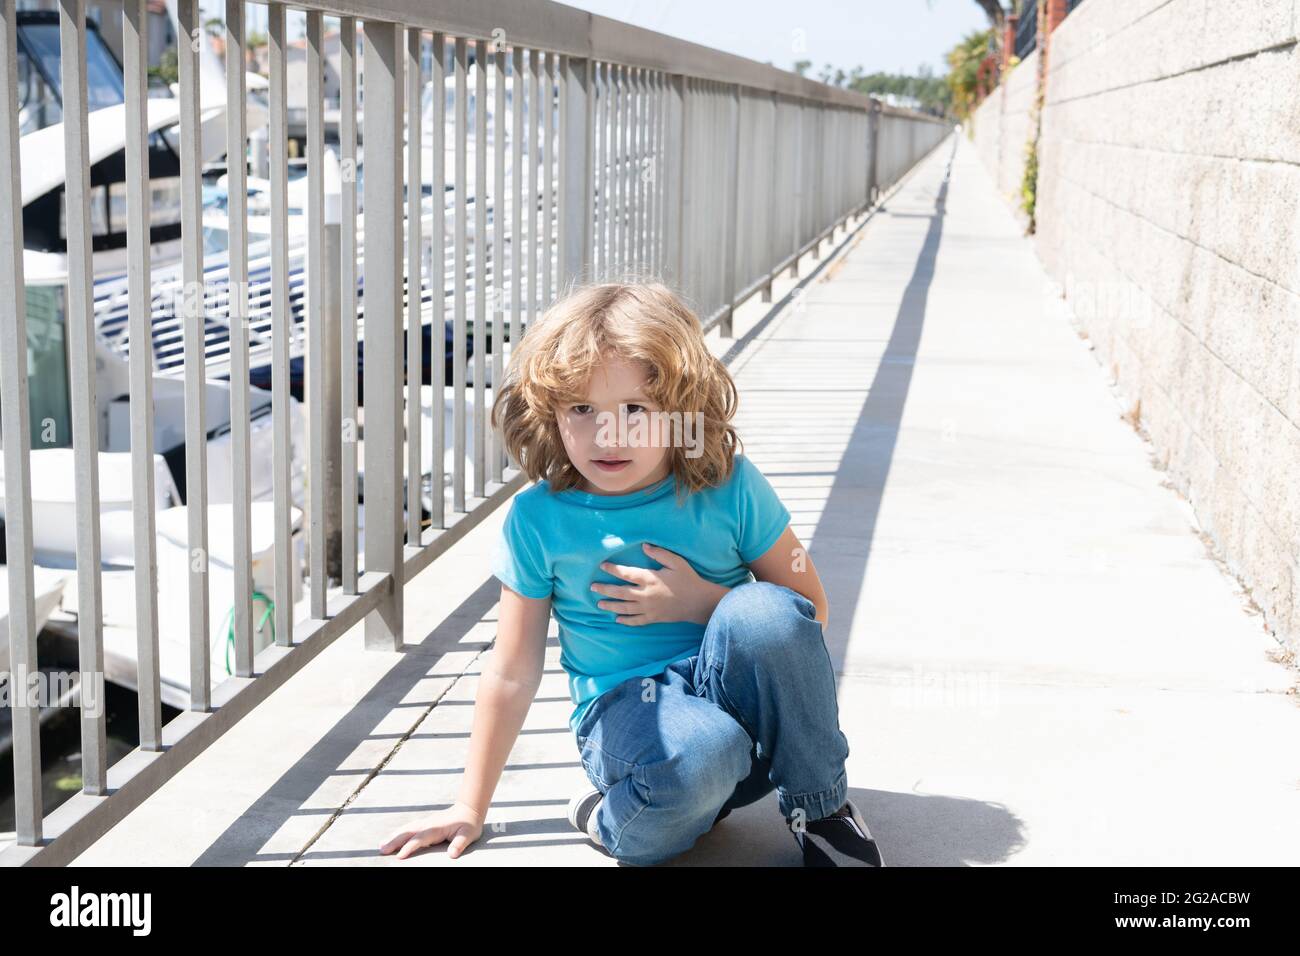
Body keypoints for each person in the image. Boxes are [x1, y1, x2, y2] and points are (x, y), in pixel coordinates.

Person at [379, 279, 882, 866]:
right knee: (701, 749)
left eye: (635, 409)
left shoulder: (730, 488)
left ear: (680, 410)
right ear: (551, 413)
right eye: (583, 409)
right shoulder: (539, 520)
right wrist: (469, 805)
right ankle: (610, 814)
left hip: (747, 722)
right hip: (631, 723)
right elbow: (512, 670)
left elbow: (807, 613)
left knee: (763, 610)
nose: (607, 434)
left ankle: (822, 811)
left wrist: (703, 603)